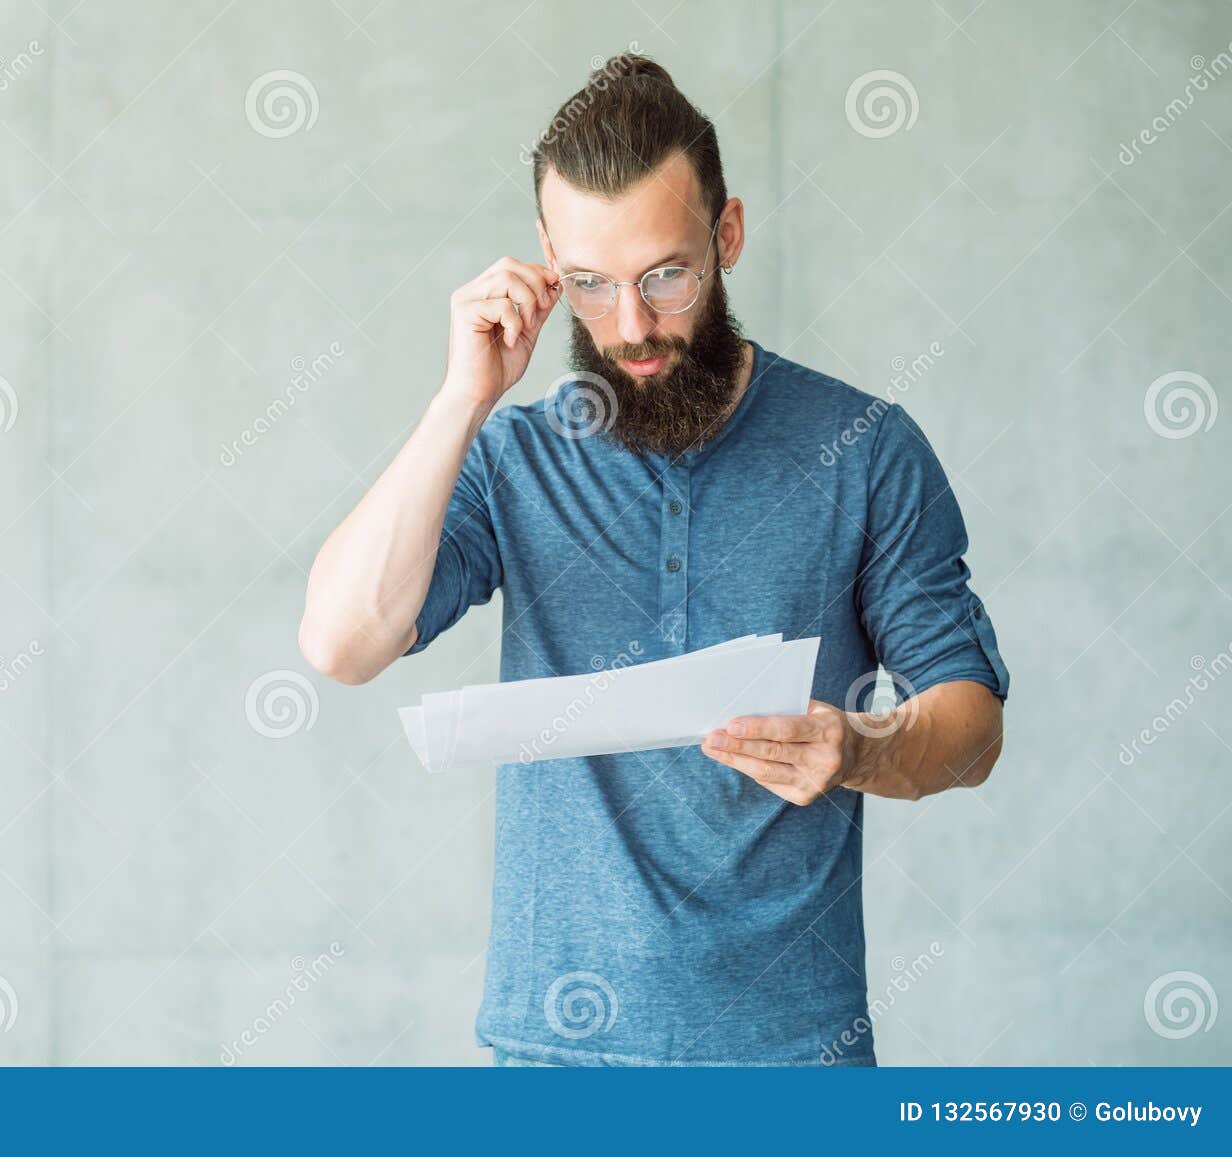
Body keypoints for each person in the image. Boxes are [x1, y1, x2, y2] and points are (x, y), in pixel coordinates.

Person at [298, 53, 1009, 1066]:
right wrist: (461, 399)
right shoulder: (513, 457)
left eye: (665, 276)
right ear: (546, 259)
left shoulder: (864, 449)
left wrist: (864, 746)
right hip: (550, 1064)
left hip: (793, 1060)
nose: (630, 326)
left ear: (726, 233)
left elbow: (970, 725)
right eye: (589, 284)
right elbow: (340, 641)